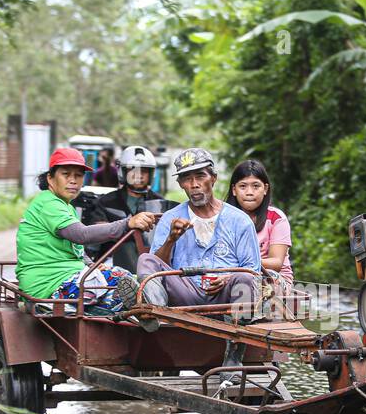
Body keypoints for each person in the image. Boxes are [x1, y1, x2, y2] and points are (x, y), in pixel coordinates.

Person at [134, 148, 261, 341]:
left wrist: (228, 278)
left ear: (213, 178)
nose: (194, 185)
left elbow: (253, 271)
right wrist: (171, 239)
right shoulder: (171, 218)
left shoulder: (239, 220)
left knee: (244, 279)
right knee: (145, 260)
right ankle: (154, 313)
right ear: (180, 184)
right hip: (185, 294)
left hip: (224, 297)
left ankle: (235, 349)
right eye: (186, 178)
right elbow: (156, 269)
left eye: (200, 176)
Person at [16, 147, 157, 311]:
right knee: (121, 281)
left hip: (67, 277)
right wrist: (127, 223)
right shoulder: (49, 203)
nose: (73, 180)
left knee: (125, 277)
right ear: (50, 178)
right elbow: (81, 235)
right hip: (49, 283)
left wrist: (92, 266)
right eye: (66, 174)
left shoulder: (65, 205)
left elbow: (75, 250)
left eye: (78, 175)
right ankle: (141, 311)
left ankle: (136, 311)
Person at [78, 145, 177, 273]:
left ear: (151, 174)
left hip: (151, 263)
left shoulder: (160, 203)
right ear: (123, 172)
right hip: (111, 262)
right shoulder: (106, 202)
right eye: (133, 170)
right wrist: (92, 264)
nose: (139, 175)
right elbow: (95, 237)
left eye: (144, 171)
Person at [225, 159, 293, 287]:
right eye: (243, 186)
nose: (249, 192)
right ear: (234, 190)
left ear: (265, 188)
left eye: (256, 186)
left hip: (271, 278)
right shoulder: (223, 219)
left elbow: (276, 263)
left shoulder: (276, 218)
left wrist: (239, 266)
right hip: (231, 276)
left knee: (246, 282)